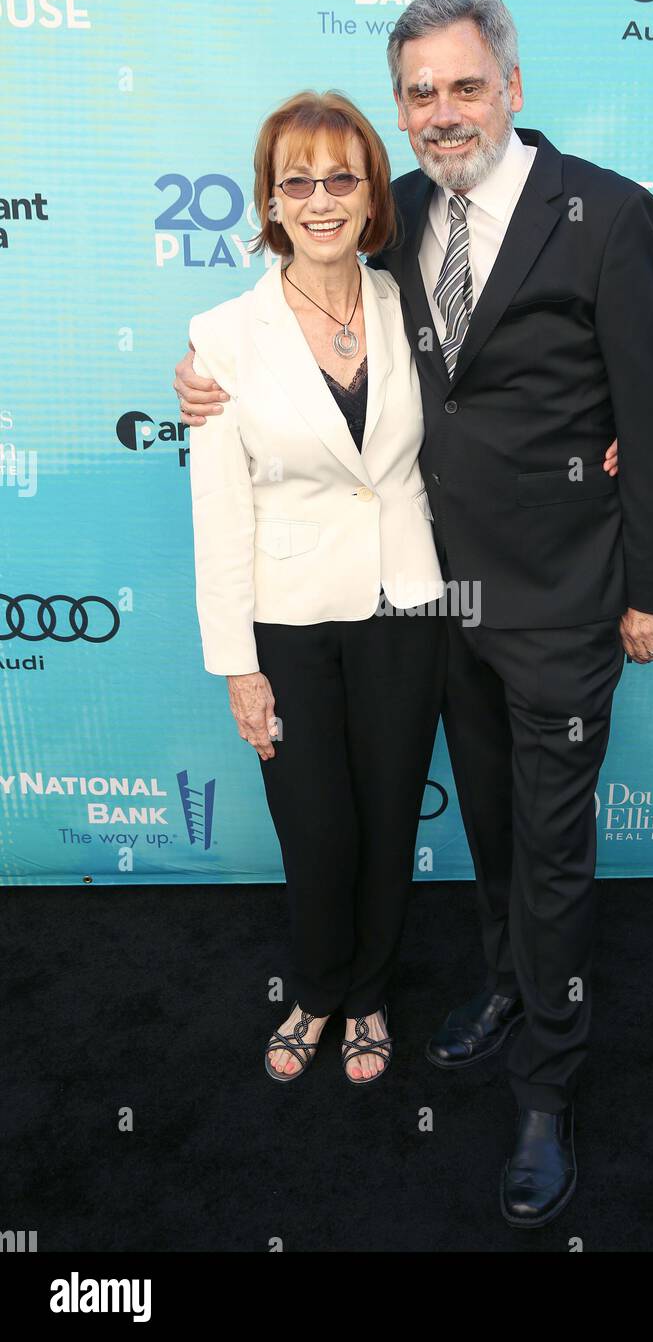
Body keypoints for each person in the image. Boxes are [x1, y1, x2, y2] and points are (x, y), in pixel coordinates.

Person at [176, 0, 653, 1231]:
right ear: (398, 108)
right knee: (496, 833)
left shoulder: (608, 215)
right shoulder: (392, 227)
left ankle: (547, 1095)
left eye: (464, 87)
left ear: (511, 86)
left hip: (565, 602)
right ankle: (505, 989)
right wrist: (200, 380)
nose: (441, 114)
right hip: (438, 599)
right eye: (419, 94)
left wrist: (649, 589)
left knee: (553, 859)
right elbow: (303, 335)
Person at [186, 90, 447, 1085]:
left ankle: (370, 993)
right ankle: (316, 987)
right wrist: (236, 667)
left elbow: (507, 390)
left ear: (372, 191)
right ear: (270, 199)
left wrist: (600, 435)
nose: (321, 198)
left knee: (387, 816)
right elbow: (217, 508)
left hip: (406, 606)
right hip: (286, 621)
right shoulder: (221, 335)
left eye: (342, 176)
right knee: (315, 824)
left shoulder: (411, 300)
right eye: (297, 180)